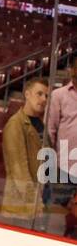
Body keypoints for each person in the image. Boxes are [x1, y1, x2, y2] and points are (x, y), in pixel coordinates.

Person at [1, 78, 47, 223]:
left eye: (46, 96)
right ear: (27, 94)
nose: (43, 99)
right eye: (39, 94)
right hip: (21, 207)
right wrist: (34, 203)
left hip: (37, 201)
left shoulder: (41, 124)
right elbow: (18, 169)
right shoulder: (16, 124)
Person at [46, 55, 77, 230]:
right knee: (56, 219)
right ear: (71, 70)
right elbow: (50, 130)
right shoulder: (58, 95)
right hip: (63, 167)